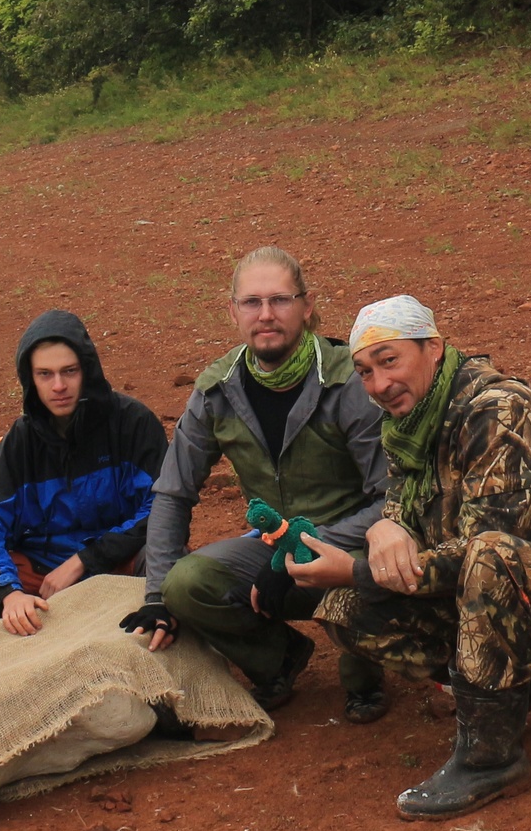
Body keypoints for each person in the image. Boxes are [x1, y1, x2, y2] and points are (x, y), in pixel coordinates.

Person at [287, 296, 531, 820]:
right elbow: (402, 514)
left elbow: (482, 550)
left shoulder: (497, 412)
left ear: (434, 348)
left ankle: (490, 757)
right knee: (345, 605)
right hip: (499, 592)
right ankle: (510, 684)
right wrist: (384, 528)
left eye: (389, 361)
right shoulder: (411, 424)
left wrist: (360, 567)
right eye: (364, 372)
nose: (379, 385)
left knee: (487, 557)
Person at [125, 246, 391, 717]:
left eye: (280, 300)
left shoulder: (348, 381)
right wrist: (156, 598)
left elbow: (388, 499)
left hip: (350, 545)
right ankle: (278, 659)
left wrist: (300, 549)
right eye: (252, 302)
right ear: (233, 312)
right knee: (186, 585)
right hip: (274, 549)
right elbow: (172, 493)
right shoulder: (216, 390)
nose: (266, 315)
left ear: (306, 307)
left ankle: (366, 676)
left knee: (358, 608)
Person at [0, 310, 166, 634]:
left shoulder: (133, 423)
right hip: (42, 573)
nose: (59, 386)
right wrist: (8, 592)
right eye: (44, 374)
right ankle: (31, 620)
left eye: (69, 371)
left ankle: (119, 624)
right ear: (30, 379)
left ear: (88, 370)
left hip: (114, 565)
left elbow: (162, 509)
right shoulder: (21, 441)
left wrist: (86, 560)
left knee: (166, 562)